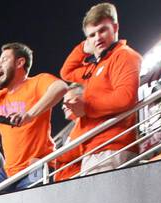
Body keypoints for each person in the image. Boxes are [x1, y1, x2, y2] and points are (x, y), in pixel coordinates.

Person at [0, 42, 69, 190]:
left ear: (20, 62)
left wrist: (30, 114)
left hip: (35, 165)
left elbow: (61, 87)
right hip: (8, 171)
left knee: (28, 201)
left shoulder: (37, 82)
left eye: (4, 60)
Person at [57, 4, 143, 177]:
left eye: (102, 30)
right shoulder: (97, 66)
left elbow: (126, 97)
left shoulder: (124, 55)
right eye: (92, 35)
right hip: (95, 150)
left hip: (111, 147)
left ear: (115, 28)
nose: (98, 38)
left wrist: (87, 108)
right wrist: (83, 47)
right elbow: (66, 72)